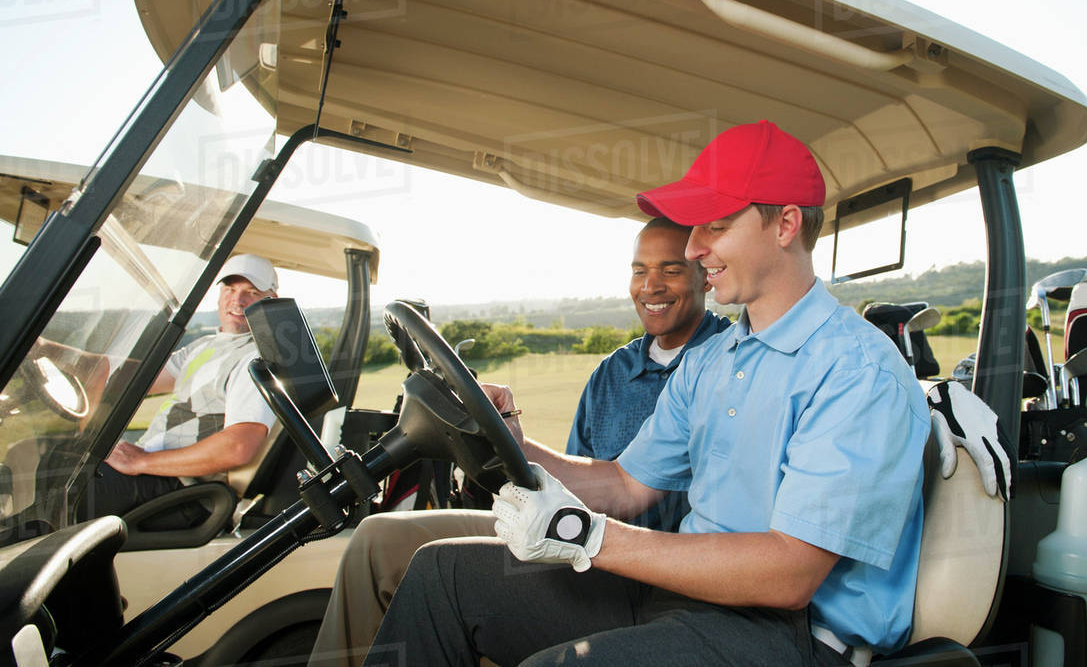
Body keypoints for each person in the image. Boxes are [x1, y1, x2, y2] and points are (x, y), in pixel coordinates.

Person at [363, 120, 937, 667]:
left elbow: (789, 575)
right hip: (683, 598)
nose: (693, 248)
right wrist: (511, 439)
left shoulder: (859, 372)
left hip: (794, 637)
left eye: (714, 225)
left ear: (785, 225)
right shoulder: (713, 361)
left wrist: (585, 536)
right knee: (441, 576)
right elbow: (625, 484)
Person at [307, 218, 731, 667]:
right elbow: (589, 481)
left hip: (642, 565)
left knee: (441, 572)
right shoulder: (612, 371)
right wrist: (508, 439)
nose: (651, 286)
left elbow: (631, 494)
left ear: (705, 274)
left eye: (671, 270)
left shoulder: (725, 363)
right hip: (573, 533)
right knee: (377, 538)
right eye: (639, 270)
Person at [75, 253, 280, 526]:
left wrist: (142, 462)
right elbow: (131, 378)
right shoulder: (206, 345)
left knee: (70, 490)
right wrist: (61, 355)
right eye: (230, 289)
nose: (237, 301)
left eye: (251, 292)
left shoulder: (254, 359)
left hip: (182, 491)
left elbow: (238, 446)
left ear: (272, 302)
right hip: (155, 477)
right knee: (57, 463)